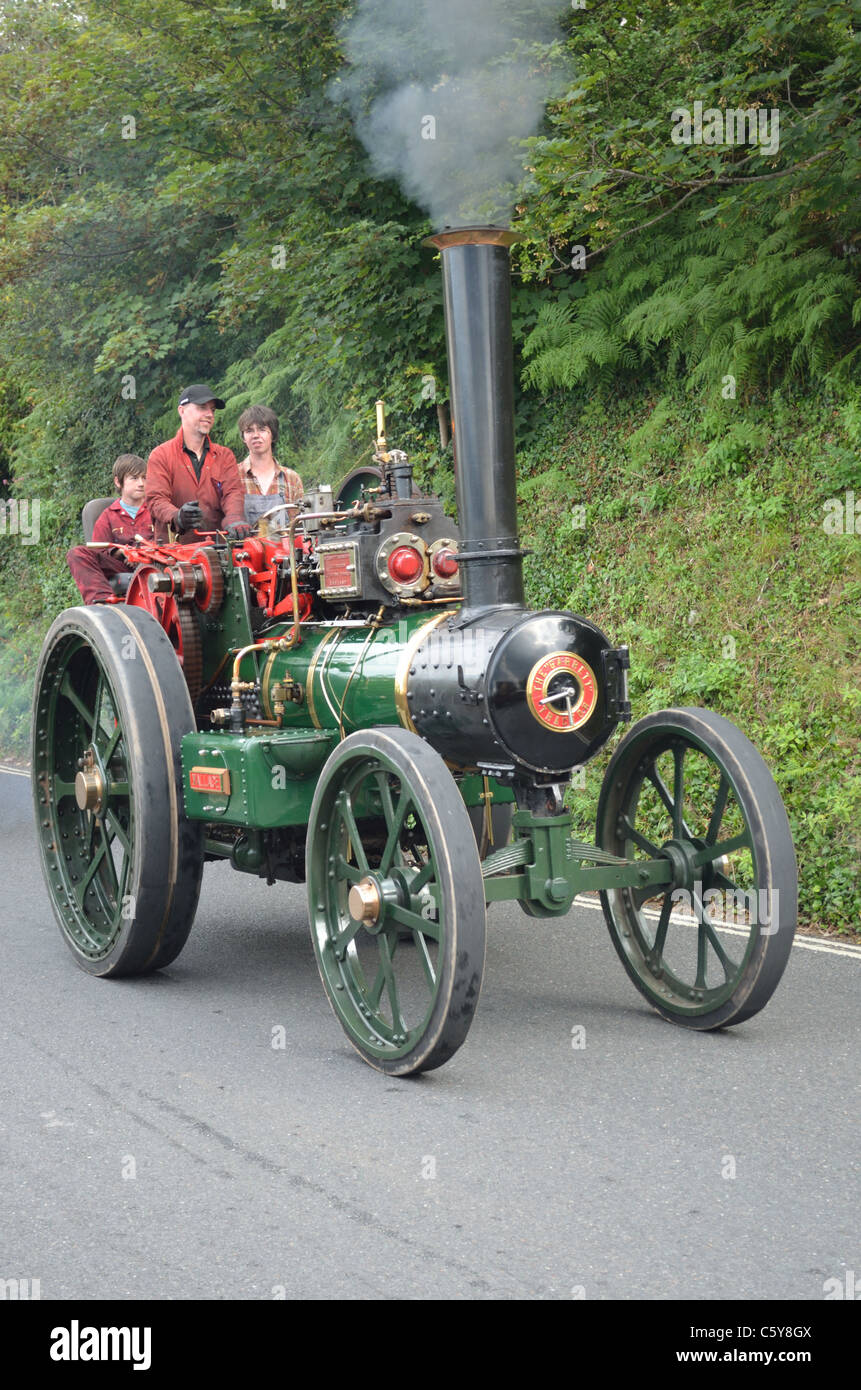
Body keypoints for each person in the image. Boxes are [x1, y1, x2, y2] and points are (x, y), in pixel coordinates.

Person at [146, 384, 249, 541]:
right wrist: (177, 516)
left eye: (212, 410)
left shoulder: (224, 456)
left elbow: (232, 493)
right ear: (182, 411)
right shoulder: (161, 455)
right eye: (202, 407)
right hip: (174, 554)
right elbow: (156, 500)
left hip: (217, 551)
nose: (209, 414)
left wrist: (234, 517)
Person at [67, 454, 154, 604]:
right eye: (134, 478)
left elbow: (168, 540)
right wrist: (121, 552)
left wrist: (143, 554)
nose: (141, 483)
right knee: (76, 554)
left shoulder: (156, 509)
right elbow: (98, 553)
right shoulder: (107, 516)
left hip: (154, 564)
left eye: (144, 478)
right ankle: (103, 603)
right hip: (121, 567)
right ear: (118, 482)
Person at [236, 404, 303, 528]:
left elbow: (300, 528)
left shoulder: (292, 478)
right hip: (245, 547)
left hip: (286, 546)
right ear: (243, 438)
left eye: (262, 429)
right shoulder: (233, 476)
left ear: (273, 435)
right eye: (249, 430)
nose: (256, 435)